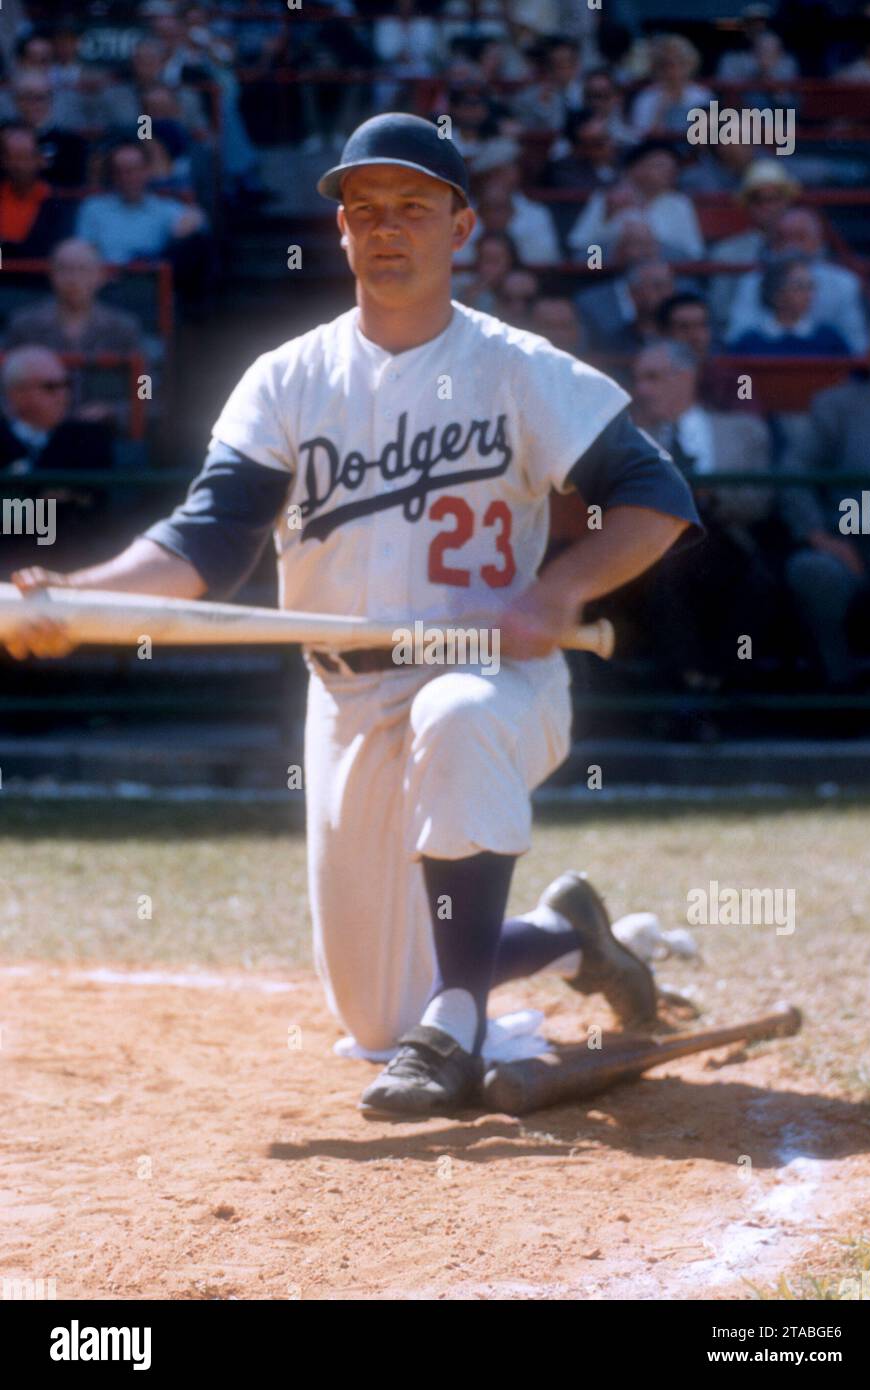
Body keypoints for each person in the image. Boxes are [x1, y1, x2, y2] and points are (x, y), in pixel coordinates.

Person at [4, 113, 702, 1119]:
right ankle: (568, 934)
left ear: (461, 227)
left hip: (490, 675)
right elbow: (205, 541)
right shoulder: (288, 379)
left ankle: (457, 1023)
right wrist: (81, 595)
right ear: (338, 232)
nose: (385, 227)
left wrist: (554, 590)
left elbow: (656, 500)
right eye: (362, 209)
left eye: (413, 206)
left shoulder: (522, 368)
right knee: (377, 1016)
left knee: (453, 721)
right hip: (344, 691)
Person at [630, 339, 776, 689]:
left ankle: (703, 686)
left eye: (652, 378)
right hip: (655, 549)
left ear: (685, 377)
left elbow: (761, 501)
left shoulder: (743, 430)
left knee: (727, 571)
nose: (641, 390)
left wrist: (711, 497)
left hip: (729, 541)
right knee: (669, 569)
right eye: (638, 379)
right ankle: (698, 685)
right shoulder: (628, 438)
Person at [780, 312, 870, 688]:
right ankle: (838, 689)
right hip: (850, 538)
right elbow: (794, 471)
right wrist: (819, 536)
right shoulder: (836, 406)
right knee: (813, 570)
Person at [4, 239, 145, 428]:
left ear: (101, 275)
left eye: (83, 269)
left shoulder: (125, 328)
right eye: (65, 269)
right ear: (52, 274)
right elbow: (3, 387)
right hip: (35, 429)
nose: (73, 278)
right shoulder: (23, 325)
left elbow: (148, 388)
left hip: (102, 435)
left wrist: (113, 411)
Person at [0, 346, 114, 573]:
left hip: (73, 573)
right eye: (51, 387)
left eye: (66, 385)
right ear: (16, 393)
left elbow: (93, 515)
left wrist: (27, 501)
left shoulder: (89, 441)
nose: (63, 395)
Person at [725, 207, 870, 354]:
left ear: (818, 241)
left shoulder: (844, 283)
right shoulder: (752, 282)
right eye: (782, 238)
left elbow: (856, 347)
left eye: (800, 237)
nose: (791, 247)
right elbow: (737, 339)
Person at [568, 139, 705, 264]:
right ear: (635, 169)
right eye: (659, 165)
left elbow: (694, 255)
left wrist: (653, 249)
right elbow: (580, 254)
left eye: (672, 167)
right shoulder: (605, 198)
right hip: (610, 278)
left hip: (666, 281)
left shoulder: (680, 203)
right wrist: (608, 219)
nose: (669, 171)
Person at [75, 141, 205, 266]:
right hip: (105, 283)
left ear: (147, 171)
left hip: (151, 283)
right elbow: (82, 251)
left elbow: (199, 222)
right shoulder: (93, 208)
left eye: (134, 170)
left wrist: (196, 218)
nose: (128, 178)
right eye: (120, 171)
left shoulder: (164, 208)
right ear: (112, 175)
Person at [708, 159, 799, 330]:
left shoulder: (805, 244)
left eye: (775, 198)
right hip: (743, 341)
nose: (768, 206)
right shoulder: (726, 252)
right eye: (759, 200)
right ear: (748, 205)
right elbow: (720, 310)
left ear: (787, 201)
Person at [726, 256, 849, 355]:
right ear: (776, 293)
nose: (809, 295)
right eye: (800, 287)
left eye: (810, 286)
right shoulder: (748, 344)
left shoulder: (830, 339)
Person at [1, 71, 88, 187]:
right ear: (16, 100)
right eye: (27, 97)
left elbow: (71, 184)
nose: (34, 104)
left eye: (41, 98)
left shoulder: (71, 143)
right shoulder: (2, 138)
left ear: (50, 100)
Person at [0, 125, 74, 257]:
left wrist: (8, 248)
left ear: (40, 159)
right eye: (12, 157)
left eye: (25, 157)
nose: (18, 165)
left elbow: (52, 252)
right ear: (3, 160)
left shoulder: (55, 202)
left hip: (39, 277)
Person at [628, 33, 713, 139]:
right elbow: (639, 138)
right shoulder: (646, 98)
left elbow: (709, 136)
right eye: (666, 65)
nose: (673, 71)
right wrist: (661, 109)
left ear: (690, 65)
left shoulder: (702, 95)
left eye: (680, 63)